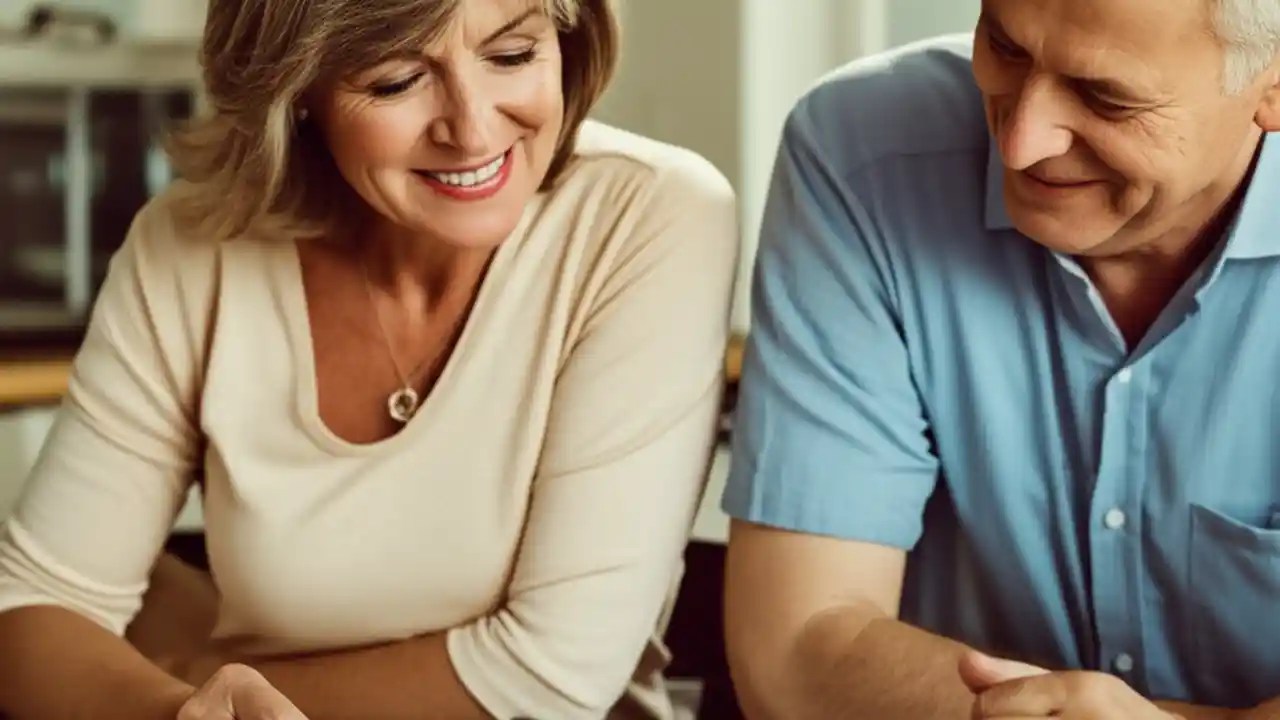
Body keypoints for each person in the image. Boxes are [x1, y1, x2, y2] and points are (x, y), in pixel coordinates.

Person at [0, 0, 739, 717]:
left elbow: (551, 675)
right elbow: (32, 606)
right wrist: (181, 710)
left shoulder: (652, 215)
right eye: (396, 82)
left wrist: (193, 671)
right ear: (298, 89)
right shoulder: (195, 243)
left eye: (512, 55)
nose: (472, 129)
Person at [722, 0, 1280, 718]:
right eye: (1006, 47)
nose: (1019, 142)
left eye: (1105, 95)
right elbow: (798, 655)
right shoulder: (863, 154)